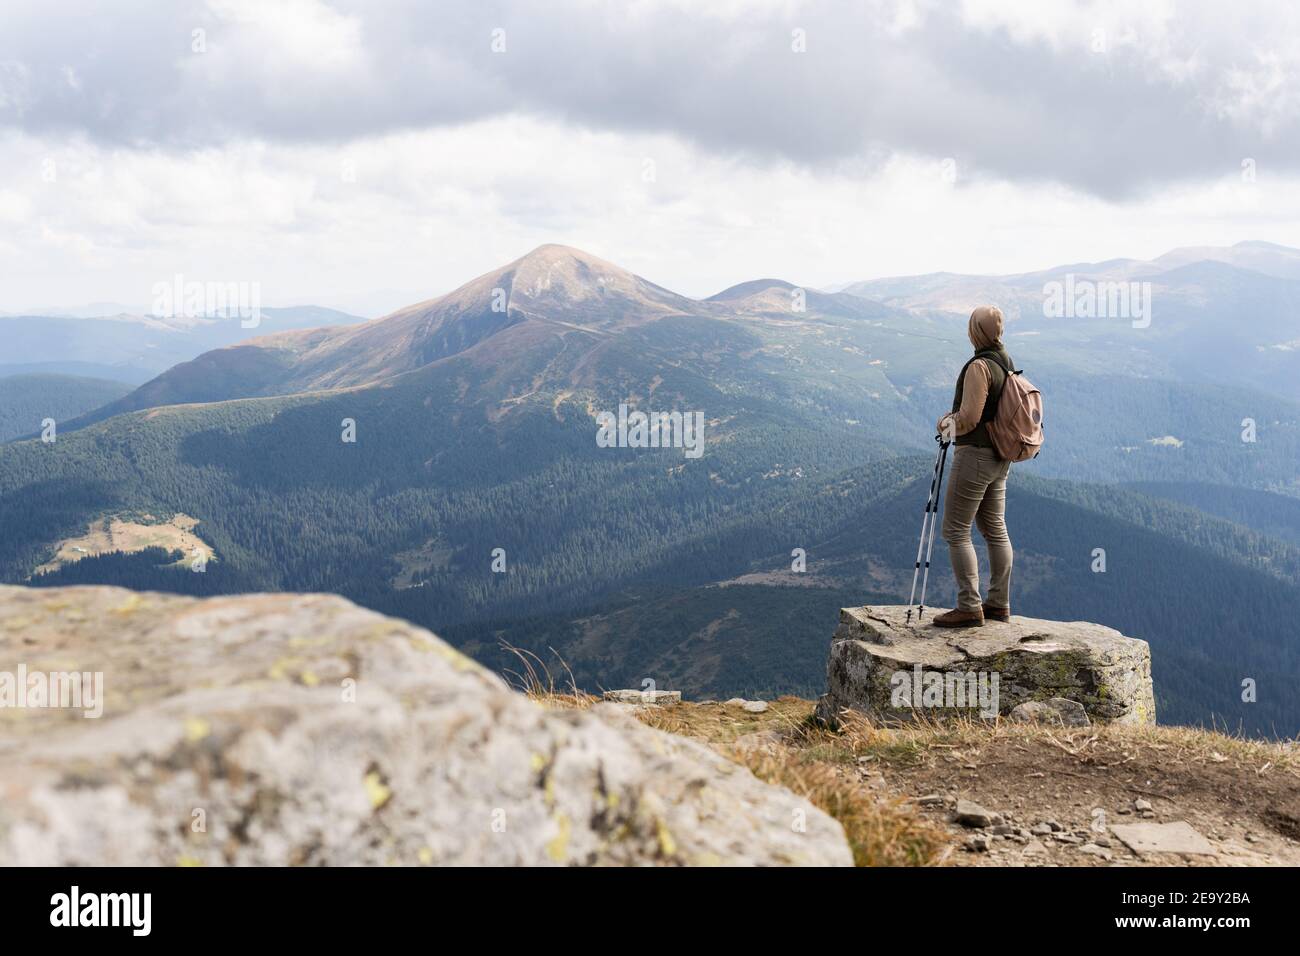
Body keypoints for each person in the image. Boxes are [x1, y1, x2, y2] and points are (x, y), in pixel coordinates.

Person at [933, 305, 1013, 627]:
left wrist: (944, 424)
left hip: (975, 456)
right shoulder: (1005, 362)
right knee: (995, 529)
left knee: (955, 529)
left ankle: (969, 606)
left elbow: (968, 419)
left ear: (975, 331)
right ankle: (999, 603)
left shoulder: (979, 366)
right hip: (1000, 457)